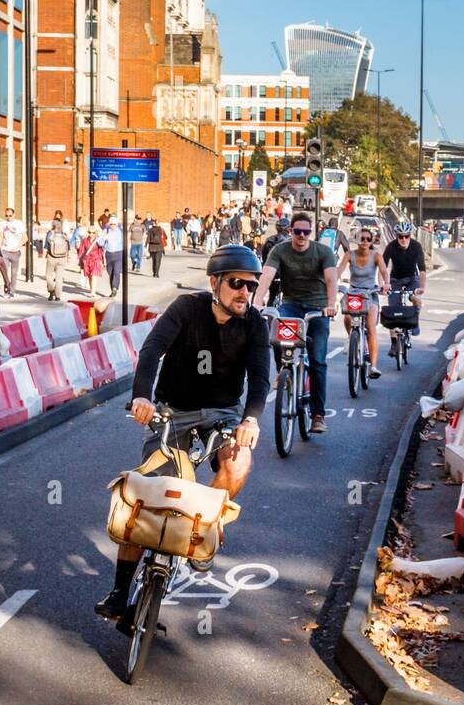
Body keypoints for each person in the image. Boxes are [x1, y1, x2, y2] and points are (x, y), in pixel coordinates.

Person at [95, 244, 268, 621]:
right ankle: (119, 591)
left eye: (251, 286)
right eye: (237, 283)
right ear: (215, 283)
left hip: (222, 414)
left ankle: (207, 530)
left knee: (239, 463)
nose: (245, 292)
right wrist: (142, 397)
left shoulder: (255, 323)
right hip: (173, 412)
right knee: (144, 495)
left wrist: (250, 420)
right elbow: (152, 349)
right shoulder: (186, 309)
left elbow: (260, 377)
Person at [253, 210, 337, 434]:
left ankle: (318, 415)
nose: (301, 236)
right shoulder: (280, 250)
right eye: (297, 231)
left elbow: (331, 279)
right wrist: (257, 301)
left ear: (311, 233)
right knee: (276, 332)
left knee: (318, 361)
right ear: (290, 231)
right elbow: (267, 275)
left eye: (306, 232)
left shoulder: (323, 251)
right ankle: (284, 371)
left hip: (318, 307)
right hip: (291, 304)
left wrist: (331, 304)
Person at [336, 228, 390, 378]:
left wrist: (386, 283)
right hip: (354, 292)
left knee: (370, 326)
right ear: (357, 240)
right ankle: (351, 338)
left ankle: (373, 366)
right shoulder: (349, 255)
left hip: (370, 293)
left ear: (371, 241)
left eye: (368, 239)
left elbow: (384, 271)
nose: (365, 241)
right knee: (347, 317)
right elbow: (339, 270)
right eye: (362, 238)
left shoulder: (376, 256)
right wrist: (334, 281)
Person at [382, 220, 427, 356]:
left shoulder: (416, 246)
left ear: (410, 236)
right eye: (400, 236)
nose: (403, 239)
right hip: (395, 280)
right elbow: (382, 267)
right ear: (396, 237)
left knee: (416, 299)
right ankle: (394, 344)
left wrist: (421, 288)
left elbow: (422, 270)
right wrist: (384, 283)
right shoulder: (391, 246)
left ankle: (415, 321)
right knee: (392, 310)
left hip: (411, 279)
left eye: (406, 236)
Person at [0, 207, 26, 296]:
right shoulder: (3, 223)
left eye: (10, 215)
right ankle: (7, 288)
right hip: (5, 251)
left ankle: (12, 291)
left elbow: (25, 238)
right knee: (4, 272)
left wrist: (17, 246)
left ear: (14, 215)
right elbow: (0, 237)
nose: (8, 217)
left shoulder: (19, 224)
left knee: (14, 273)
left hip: (15, 252)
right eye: (6, 216)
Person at [43, 214, 70, 301]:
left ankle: (51, 290)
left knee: (48, 275)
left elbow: (46, 245)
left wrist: (43, 255)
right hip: (62, 257)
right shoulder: (64, 234)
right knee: (59, 277)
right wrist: (68, 256)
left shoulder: (50, 233)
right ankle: (58, 296)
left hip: (52, 257)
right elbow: (68, 246)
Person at [99, 216, 124, 296]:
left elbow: (125, 242)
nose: (112, 225)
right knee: (110, 272)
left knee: (117, 271)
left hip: (118, 253)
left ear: (117, 224)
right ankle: (112, 288)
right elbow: (100, 242)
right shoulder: (106, 231)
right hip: (109, 254)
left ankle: (115, 288)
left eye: (114, 224)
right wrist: (104, 239)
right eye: (111, 224)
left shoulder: (120, 232)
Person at [77, 226, 105, 294]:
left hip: (95, 259)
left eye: (93, 233)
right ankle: (91, 288)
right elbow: (81, 251)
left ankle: (93, 292)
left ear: (95, 233)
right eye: (89, 232)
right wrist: (80, 261)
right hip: (87, 260)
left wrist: (102, 261)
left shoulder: (98, 241)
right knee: (89, 276)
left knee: (94, 275)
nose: (91, 234)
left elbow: (100, 251)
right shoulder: (84, 240)